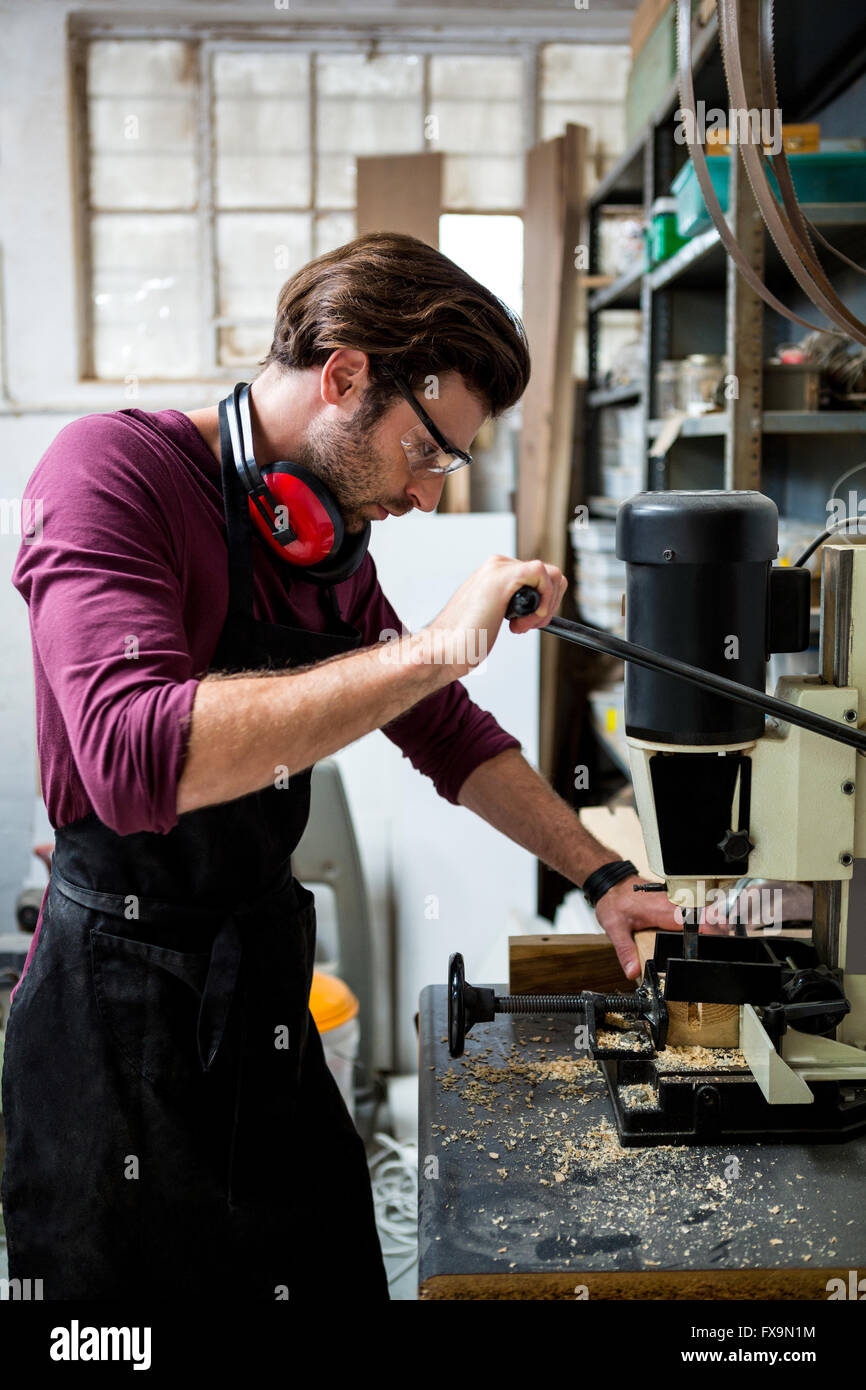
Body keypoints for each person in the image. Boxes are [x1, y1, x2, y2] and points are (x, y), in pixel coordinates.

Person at [2, 232, 680, 1300]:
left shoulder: (317, 553)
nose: (425, 495)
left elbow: (445, 730)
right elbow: (136, 755)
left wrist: (601, 874)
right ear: (346, 374)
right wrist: (429, 647)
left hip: (259, 983)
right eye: (428, 451)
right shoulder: (107, 474)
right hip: (114, 1012)